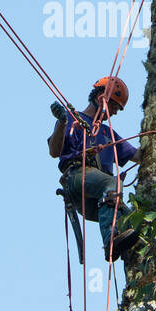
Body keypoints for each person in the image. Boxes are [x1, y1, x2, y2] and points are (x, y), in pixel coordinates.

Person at [48, 76, 141, 261]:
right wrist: (61, 123)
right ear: (101, 99)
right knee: (112, 184)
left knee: (136, 224)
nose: (114, 113)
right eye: (114, 107)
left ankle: (140, 263)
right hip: (77, 178)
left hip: (99, 199)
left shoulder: (108, 134)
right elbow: (54, 151)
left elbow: (138, 156)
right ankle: (110, 241)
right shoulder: (72, 119)